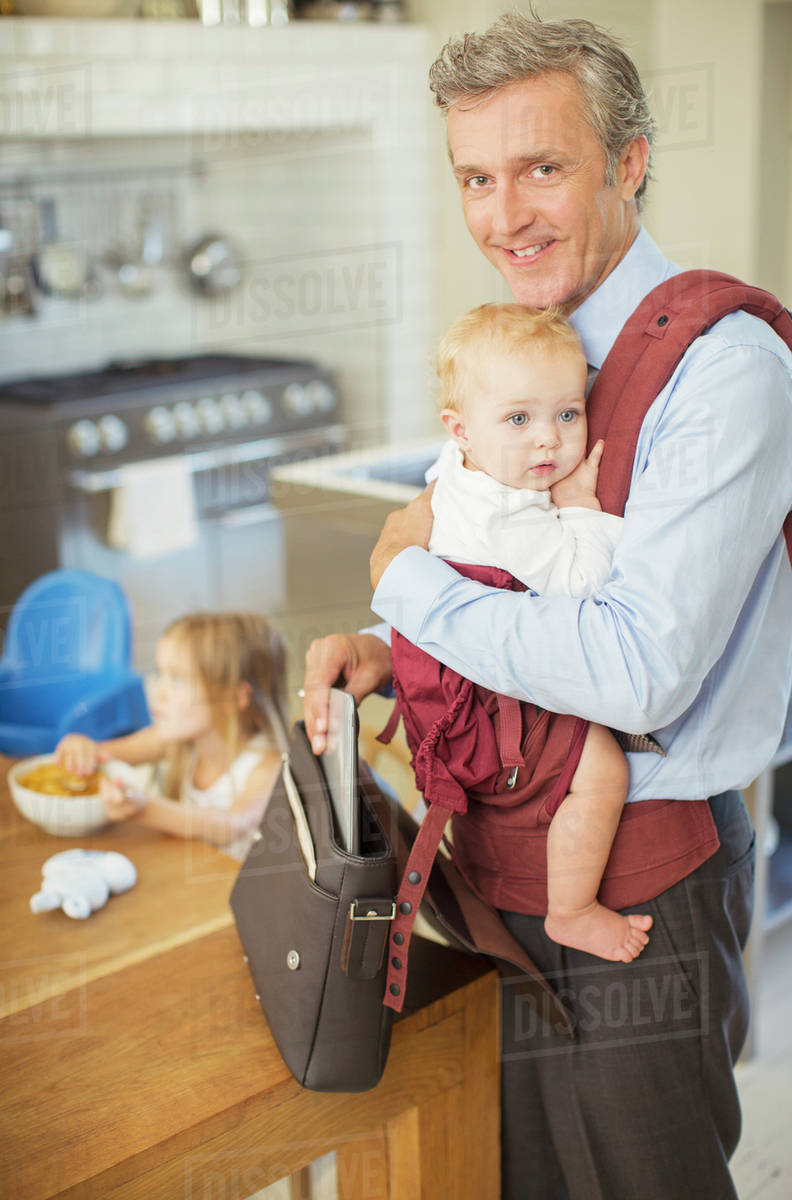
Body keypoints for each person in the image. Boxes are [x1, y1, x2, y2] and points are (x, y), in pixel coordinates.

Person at [303, 10, 792, 1200]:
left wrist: (403, 580)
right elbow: (503, 575)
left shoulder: (725, 370)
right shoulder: (521, 355)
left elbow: (635, 671)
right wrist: (387, 645)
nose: (502, 215)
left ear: (627, 162)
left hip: (644, 872)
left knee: (642, 1181)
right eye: (475, 178)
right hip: (504, 851)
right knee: (518, 1172)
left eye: (540, 168)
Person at [413, 300, 652, 962]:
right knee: (602, 772)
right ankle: (572, 910)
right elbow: (581, 586)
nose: (548, 439)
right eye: (519, 419)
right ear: (461, 428)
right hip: (491, 696)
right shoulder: (509, 517)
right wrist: (581, 510)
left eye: (568, 414)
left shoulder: (459, 470)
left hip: (460, 683)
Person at [56, 612, 287, 859]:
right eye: (160, 674)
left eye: (176, 678)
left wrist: (144, 808)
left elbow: (231, 826)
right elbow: (103, 755)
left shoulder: (268, 764)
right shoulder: (176, 742)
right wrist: (82, 748)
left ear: (233, 697)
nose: (159, 692)